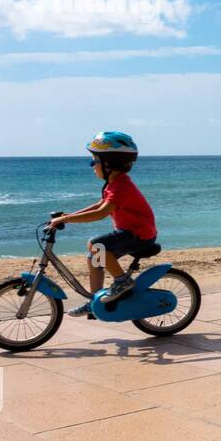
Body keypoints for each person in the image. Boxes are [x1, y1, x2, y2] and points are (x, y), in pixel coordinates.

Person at [48, 132, 157, 318]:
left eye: (94, 161)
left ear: (109, 163)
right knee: (94, 258)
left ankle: (122, 281)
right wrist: (69, 215)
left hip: (140, 235)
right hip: (128, 233)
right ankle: (94, 301)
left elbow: (100, 213)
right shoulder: (113, 184)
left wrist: (65, 220)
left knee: (96, 244)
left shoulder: (122, 186)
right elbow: (100, 205)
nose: (92, 166)